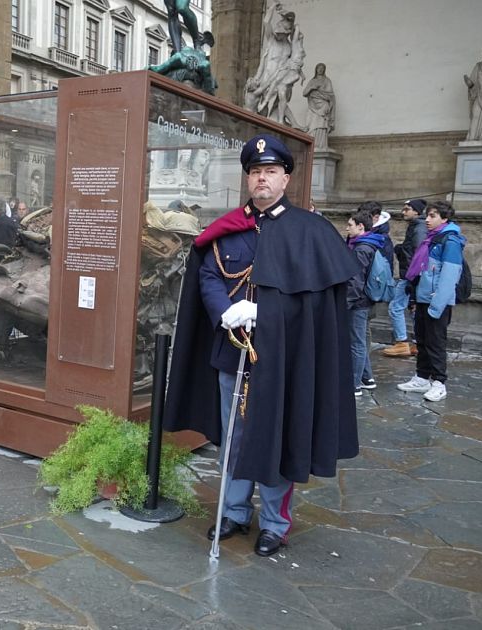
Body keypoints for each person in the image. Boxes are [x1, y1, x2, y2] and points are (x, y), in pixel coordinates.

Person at [164, 134, 359, 557]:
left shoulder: (311, 233)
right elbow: (209, 277)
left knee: (277, 438)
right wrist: (225, 312)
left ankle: (274, 522)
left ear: (286, 178)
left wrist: (265, 314)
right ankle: (234, 512)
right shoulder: (229, 229)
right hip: (232, 353)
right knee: (233, 438)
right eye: (255, 172)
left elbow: (316, 305)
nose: (262, 179)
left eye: (270, 172)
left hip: (285, 360)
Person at [397, 201, 465, 402]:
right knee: (423, 340)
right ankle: (422, 377)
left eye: (433, 216)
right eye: (427, 215)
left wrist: (437, 306)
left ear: (444, 219)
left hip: (437, 301)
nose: (427, 219)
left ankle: (439, 382)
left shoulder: (450, 241)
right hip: (424, 298)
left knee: (436, 343)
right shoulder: (432, 239)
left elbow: (450, 275)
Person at [345, 209, 386, 396]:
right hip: (362, 301)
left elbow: (355, 280)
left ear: (360, 227)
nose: (347, 228)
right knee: (359, 340)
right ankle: (367, 378)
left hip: (358, 303)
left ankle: (354, 384)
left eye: (350, 225)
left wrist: (346, 302)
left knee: (356, 343)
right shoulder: (366, 244)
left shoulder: (362, 248)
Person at [383, 199, 427, 358]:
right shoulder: (416, 226)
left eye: (407, 209)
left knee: (395, 307)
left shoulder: (419, 228)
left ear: (416, 211)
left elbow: (418, 254)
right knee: (414, 309)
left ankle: (402, 343)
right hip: (410, 274)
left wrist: (412, 278)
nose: (403, 212)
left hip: (409, 275)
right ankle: (418, 343)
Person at [302, 63, 335, 150]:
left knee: (321, 124)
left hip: (323, 105)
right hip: (312, 106)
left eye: (322, 68)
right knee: (312, 125)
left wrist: (322, 95)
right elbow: (304, 93)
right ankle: (313, 144)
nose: (320, 70)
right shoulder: (312, 81)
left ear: (324, 70)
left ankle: (321, 145)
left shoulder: (327, 81)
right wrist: (312, 88)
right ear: (316, 69)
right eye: (318, 68)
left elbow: (331, 95)